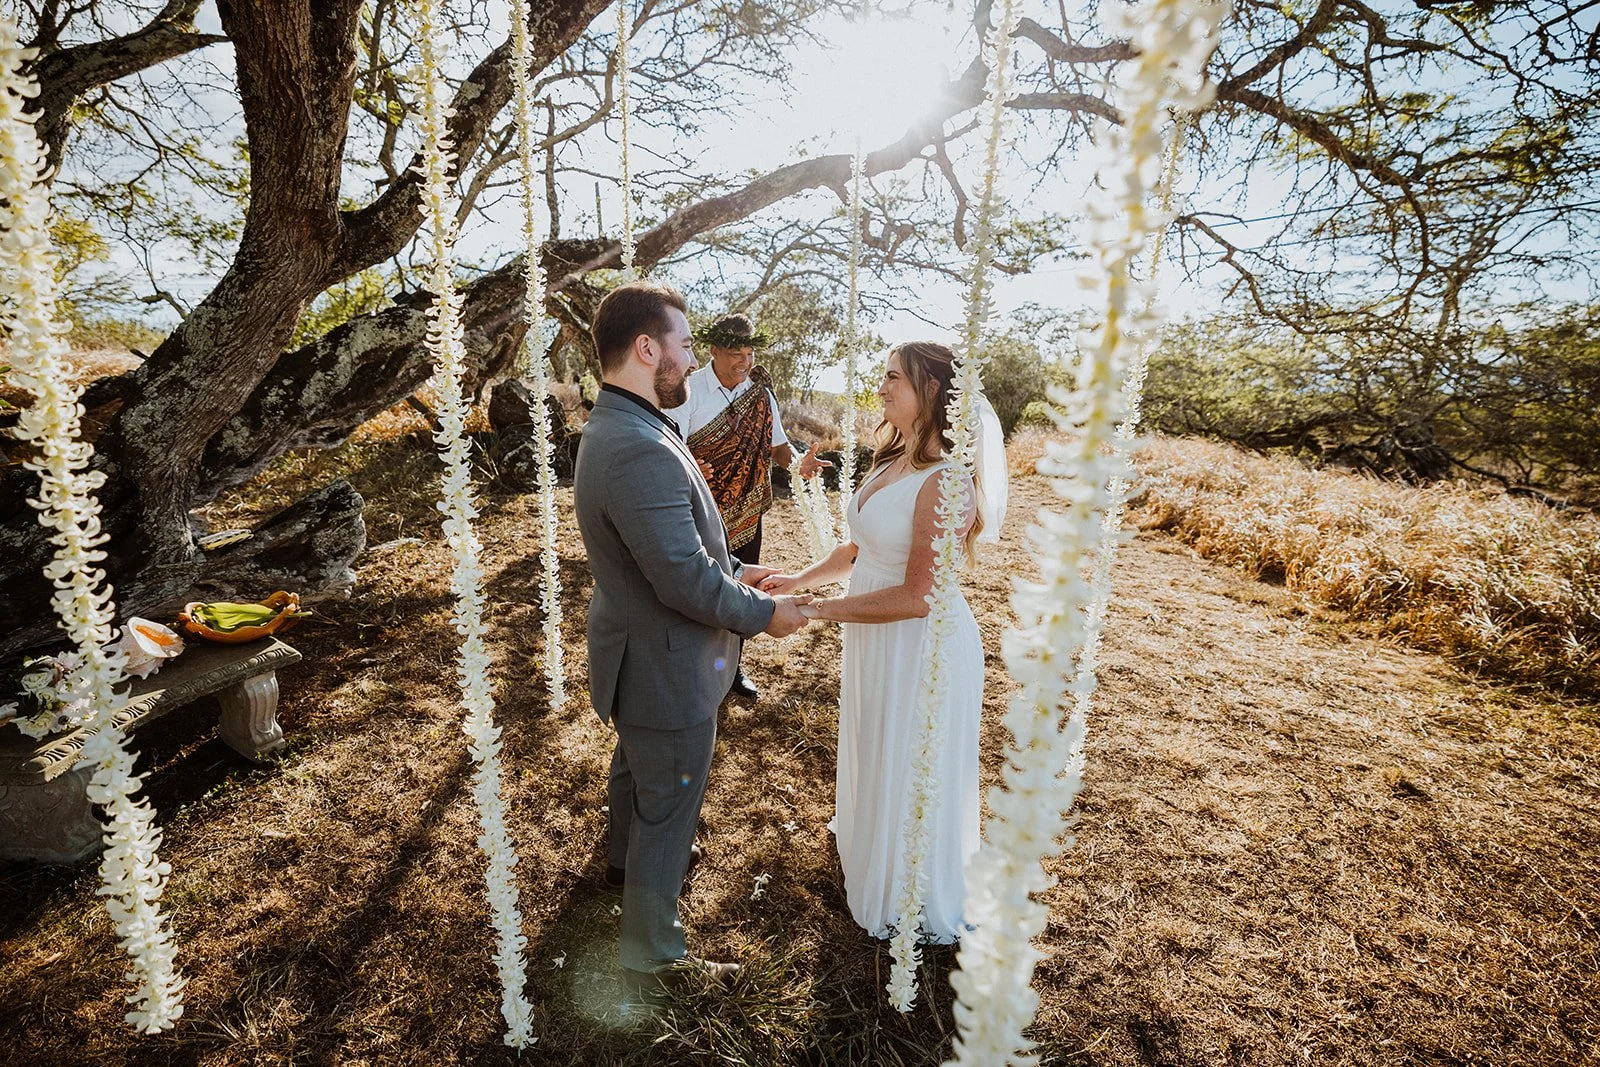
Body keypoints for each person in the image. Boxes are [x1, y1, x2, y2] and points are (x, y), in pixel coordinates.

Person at [573, 280, 813, 996]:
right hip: (664, 664)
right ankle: (651, 951)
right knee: (668, 806)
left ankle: (623, 865)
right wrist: (764, 614)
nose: (689, 358)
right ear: (647, 348)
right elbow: (679, 577)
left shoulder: (628, 424)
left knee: (637, 775)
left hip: (638, 653)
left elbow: (680, 545)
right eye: (681, 344)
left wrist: (743, 567)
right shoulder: (638, 443)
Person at [759, 341, 998, 943]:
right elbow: (858, 548)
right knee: (875, 741)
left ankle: (910, 888)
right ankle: (872, 851)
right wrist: (799, 579)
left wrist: (820, 611)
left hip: (921, 646)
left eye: (895, 377)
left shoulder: (948, 482)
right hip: (877, 636)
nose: (882, 386)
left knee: (909, 756)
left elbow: (920, 594)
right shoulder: (892, 459)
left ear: (933, 392)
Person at [662, 312, 827, 703]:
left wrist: (799, 463)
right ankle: (693, 666)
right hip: (699, 510)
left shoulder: (760, 394)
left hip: (748, 509)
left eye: (749, 353)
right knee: (699, 587)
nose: (744, 362)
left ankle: (731, 667)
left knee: (743, 586)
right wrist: (690, 463)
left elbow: (778, 448)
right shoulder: (690, 390)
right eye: (736, 353)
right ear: (713, 350)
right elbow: (671, 444)